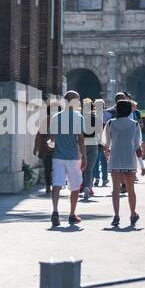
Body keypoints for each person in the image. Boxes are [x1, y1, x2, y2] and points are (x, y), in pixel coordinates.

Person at [47, 91, 87, 228]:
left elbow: (52, 140)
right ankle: (71, 214)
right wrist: (85, 157)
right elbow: (81, 140)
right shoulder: (78, 117)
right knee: (75, 187)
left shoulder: (55, 117)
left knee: (57, 184)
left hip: (58, 156)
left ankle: (55, 211)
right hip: (73, 157)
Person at [103, 98, 143, 227]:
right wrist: (142, 165)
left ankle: (116, 216)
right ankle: (132, 214)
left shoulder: (110, 123)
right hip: (129, 159)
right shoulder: (135, 124)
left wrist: (107, 153)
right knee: (131, 189)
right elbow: (138, 147)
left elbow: (106, 144)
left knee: (115, 190)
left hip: (115, 159)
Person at [80, 98, 102, 201]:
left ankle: (84, 185)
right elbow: (99, 132)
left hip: (81, 144)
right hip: (93, 144)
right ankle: (87, 187)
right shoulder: (96, 118)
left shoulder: (80, 118)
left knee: (82, 168)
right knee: (89, 168)